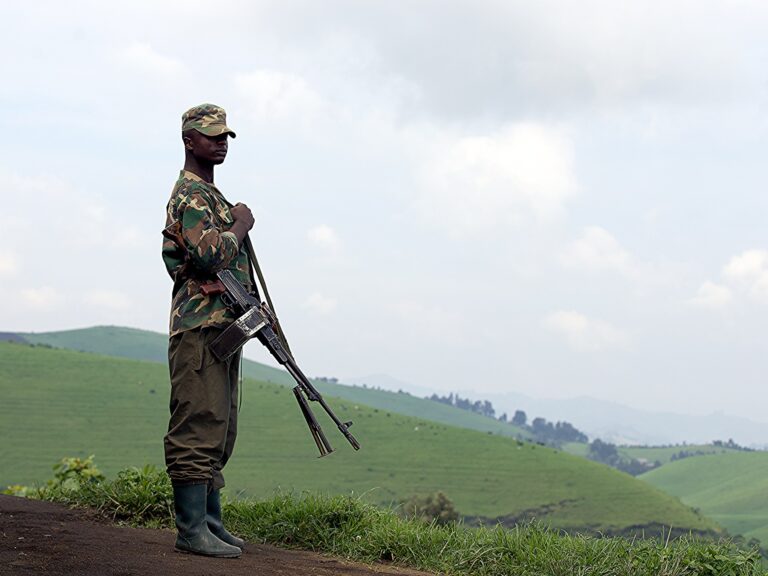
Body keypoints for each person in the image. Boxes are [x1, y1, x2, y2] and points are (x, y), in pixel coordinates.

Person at [161, 103, 255, 558]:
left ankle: (210, 523)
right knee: (198, 422)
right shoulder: (191, 196)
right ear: (188, 140)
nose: (220, 142)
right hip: (198, 327)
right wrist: (242, 222)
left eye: (224, 136)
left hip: (219, 326)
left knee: (219, 424)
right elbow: (208, 258)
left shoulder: (209, 196)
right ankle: (191, 530)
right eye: (210, 135)